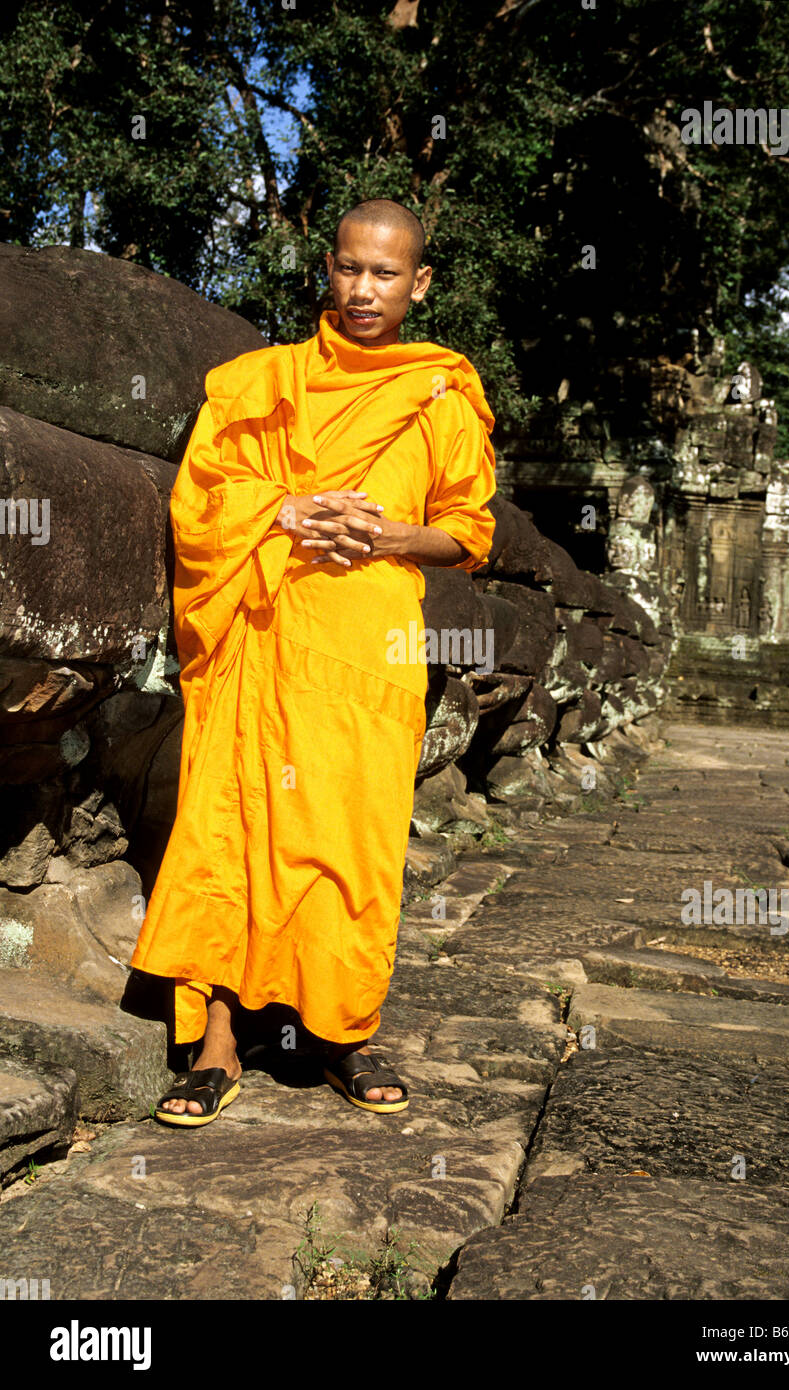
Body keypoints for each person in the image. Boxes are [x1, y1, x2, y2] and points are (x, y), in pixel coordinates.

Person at [129, 198, 497, 1124]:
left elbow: (467, 533)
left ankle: (339, 1030)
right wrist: (288, 511)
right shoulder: (257, 382)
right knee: (236, 827)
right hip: (262, 628)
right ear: (323, 270)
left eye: (385, 274)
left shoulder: (439, 393)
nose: (363, 289)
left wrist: (386, 534)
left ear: (419, 284)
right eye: (348, 268)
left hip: (368, 649)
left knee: (351, 841)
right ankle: (216, 1042)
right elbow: (200, 503)